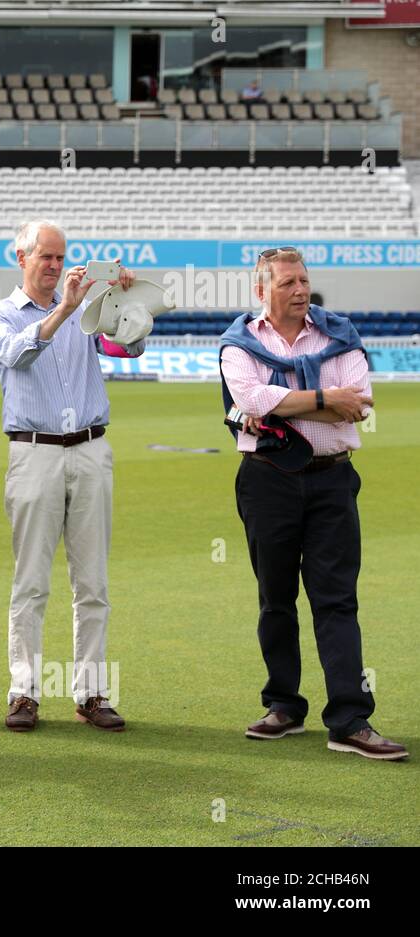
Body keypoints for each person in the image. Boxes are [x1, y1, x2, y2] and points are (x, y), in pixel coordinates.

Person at [219, 247, 407, 760]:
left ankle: (349, 719)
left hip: (332, 482)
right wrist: (324, 400)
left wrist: (279, 401)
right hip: (266, 482)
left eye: (303, 280)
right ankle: (284, 705)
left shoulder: (340, 333)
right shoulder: (239, 341)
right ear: (262, 292)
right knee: (275, 599)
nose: (300, 290)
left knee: (336, 601)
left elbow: (360, 401)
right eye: (287, 283)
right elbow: (250, 402)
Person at [0, 220, 142, 733]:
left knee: (92, 581)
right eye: (44, 256)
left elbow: (130, 348)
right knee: (31, 582)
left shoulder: (86, 308)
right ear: (21, 258)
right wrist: (66, 310)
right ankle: (23, 691)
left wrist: (126, 303)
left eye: (60, 257)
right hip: (35, 453)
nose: (54, 265)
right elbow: (14, 355)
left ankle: (91, 692)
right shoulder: (0, 313)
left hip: (91, 448)